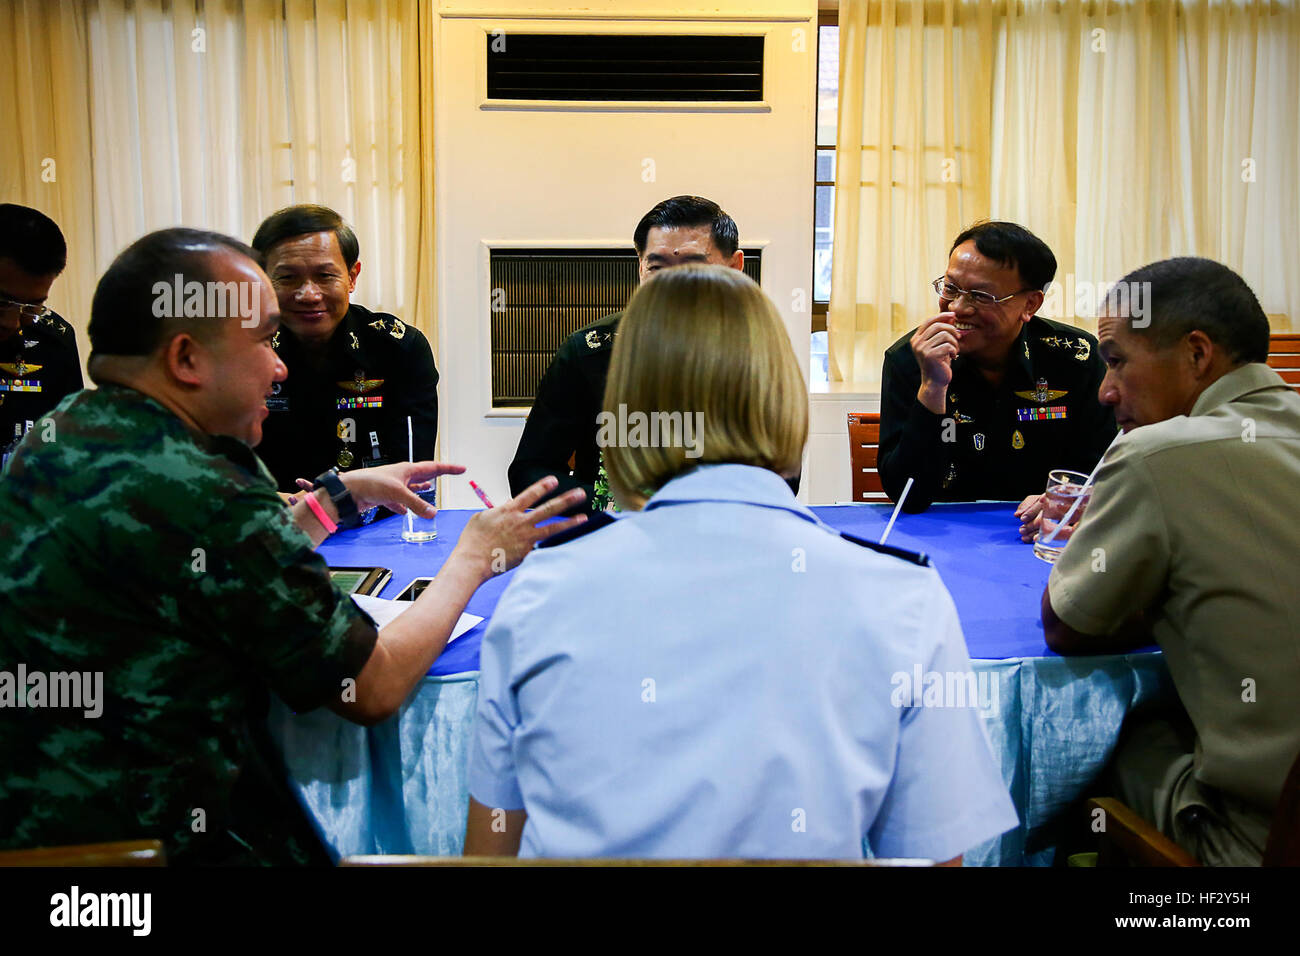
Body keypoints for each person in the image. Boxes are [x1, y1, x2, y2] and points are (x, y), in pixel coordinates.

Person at [0, 228, 586, 865]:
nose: (278, 366)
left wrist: (336, 497)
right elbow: (373, 688)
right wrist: (474, 555)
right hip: (161, 835)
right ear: (187, 359)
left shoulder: (62, 432)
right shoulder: (212, 487)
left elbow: (213, 553)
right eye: (260, 341)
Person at [467, 264, 1017, 860]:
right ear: (784, 399)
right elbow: (931, 854)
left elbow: (493, 842)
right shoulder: (903, 599)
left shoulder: (544, 591)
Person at [1041, 257, 1300, 866]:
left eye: (1115, 361)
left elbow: (1067, 624)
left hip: (1255, 845)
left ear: (1197, 354)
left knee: (1105, 737)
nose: (1105, 391)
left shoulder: (1156, 455)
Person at [507, 195, 747, 512]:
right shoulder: (590, 351)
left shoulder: (755, 352)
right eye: (657, 268)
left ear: (735, 266)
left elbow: (784, 477)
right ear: (640, 267)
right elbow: (531, 471)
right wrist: (613, 504)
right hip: (611, 532)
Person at [877, 221, 1116, 526]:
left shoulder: (1076, 359)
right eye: (950, 287)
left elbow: (1103, 472)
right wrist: (932, 388)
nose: (957, 307)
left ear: (1030, 304)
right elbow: (907, 496)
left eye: (980, 296)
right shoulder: (910, 359)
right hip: (942, 537)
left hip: (1043, 534)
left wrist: (1066, 497)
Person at [250, 204, 440, 491]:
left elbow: (410, 475)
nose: (308, 294)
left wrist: (328, 504)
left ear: (352, 277)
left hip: (374, 527)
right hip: (273, 522)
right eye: (288, 277)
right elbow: (226, 474)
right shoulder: (241, 352)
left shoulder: (399, 350)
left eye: (325, 276)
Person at [0, 204, 83, 450]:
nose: (11, 322)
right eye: (2, 303)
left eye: (31, 307)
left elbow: (65, 450)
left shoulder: (53, 341)